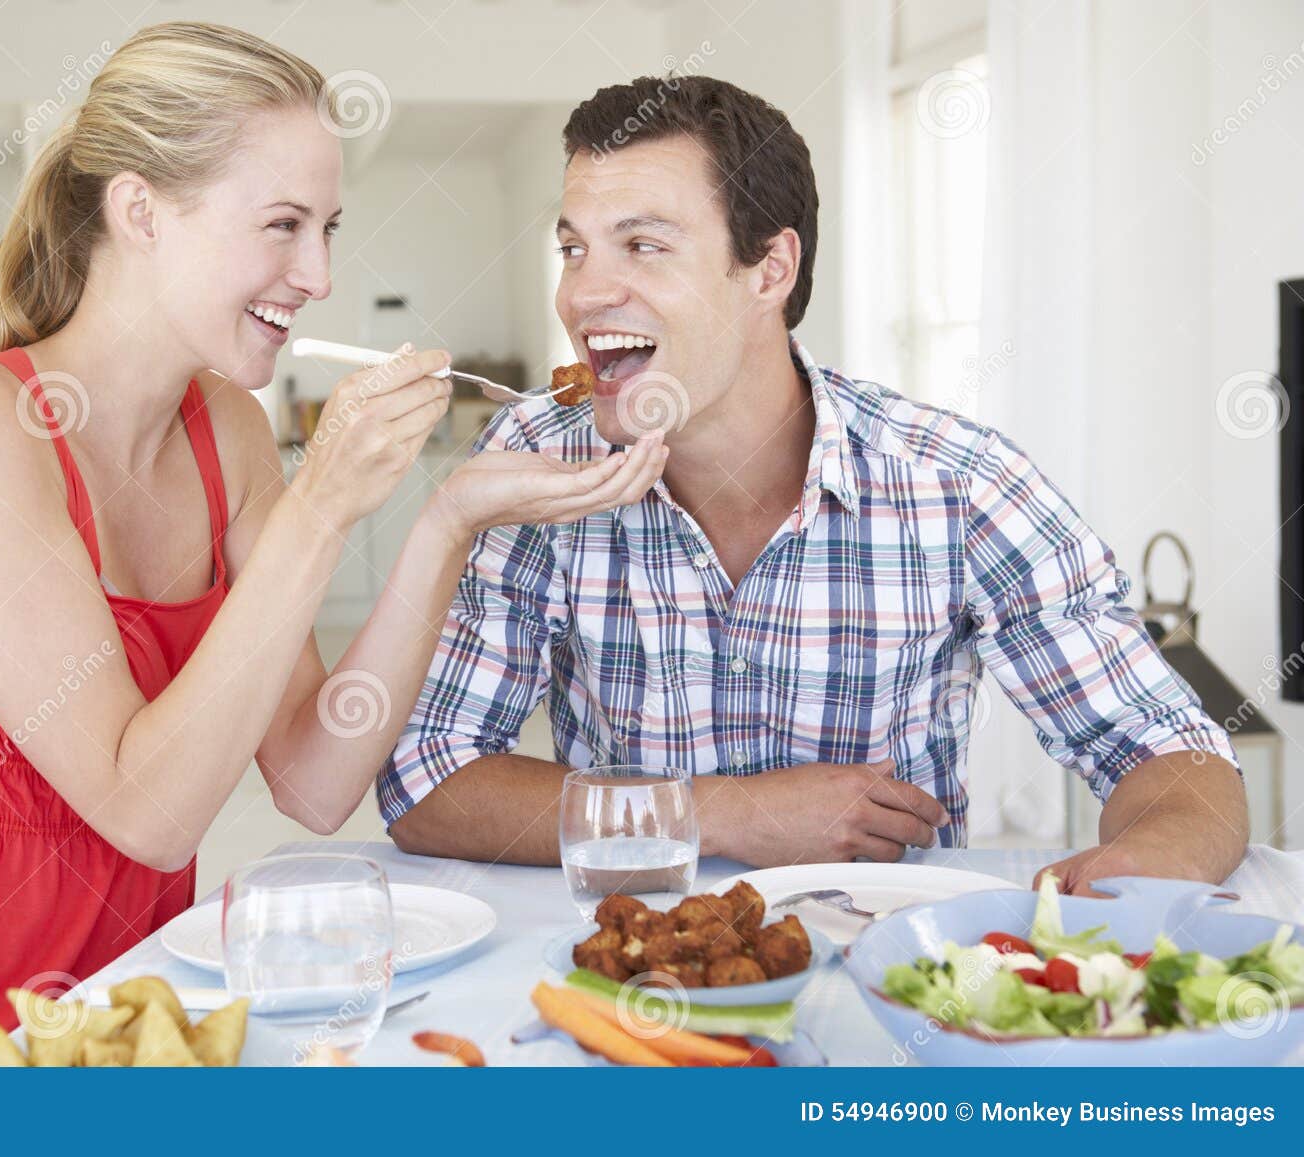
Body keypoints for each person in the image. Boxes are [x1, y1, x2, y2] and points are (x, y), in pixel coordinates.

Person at [0, 23, 664, 1067]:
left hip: (118, 1040)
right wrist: (319, 506)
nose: (318, 272)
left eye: (327, 226)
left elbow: (317, 780)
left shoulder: (224, 431)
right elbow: (146, 813)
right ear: (140, 210)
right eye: (282, 225)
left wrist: (448, 517)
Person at [379, 75, 1247, 893]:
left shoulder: (955, 482)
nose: (584, 293)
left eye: (642, 245)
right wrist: (718, 813)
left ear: (770, 269)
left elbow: (1171, 755)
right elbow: (427, 776)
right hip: (632, 968)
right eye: (574, 248)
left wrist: (1127, 886)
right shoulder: (535, 458)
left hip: (890, 979)